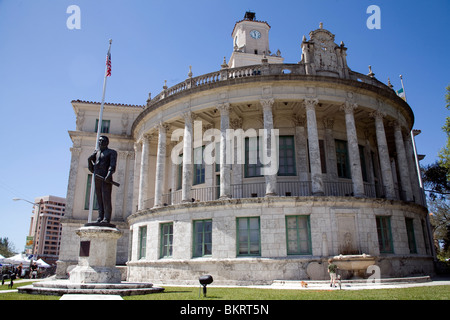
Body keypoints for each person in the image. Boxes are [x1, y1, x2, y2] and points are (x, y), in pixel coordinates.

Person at [88, 135, 117, 224]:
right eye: (99, 141)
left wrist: (109, 175)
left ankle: (106, 218)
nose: (100, 142)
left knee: (106, 198)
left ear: (107, 142)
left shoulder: (111, 152)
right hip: (97, 177)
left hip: (106, 177)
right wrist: (89, 160)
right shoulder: (96, 153)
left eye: (102, 141)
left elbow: (112, 165)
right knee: (99, 198)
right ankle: (100, 216)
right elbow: (92, 169)